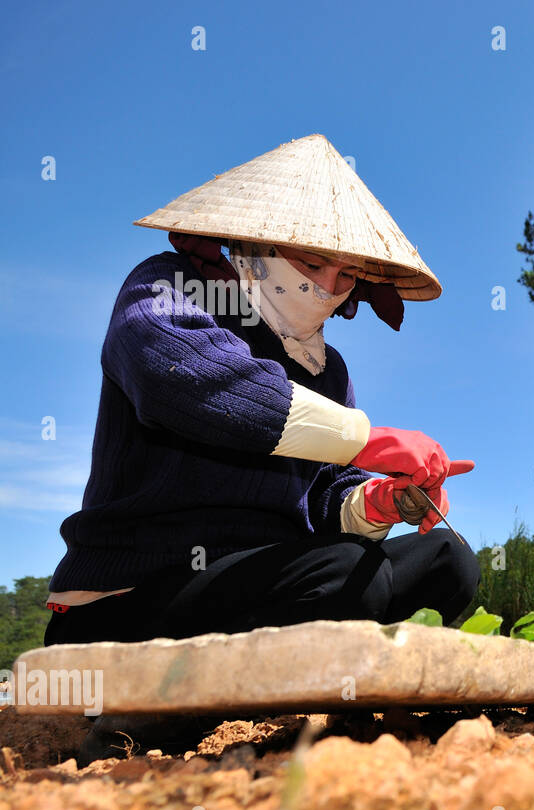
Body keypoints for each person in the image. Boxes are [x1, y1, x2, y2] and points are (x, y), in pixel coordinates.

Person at [44, 134, 479, 647]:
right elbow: (171, 374)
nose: (328, 288)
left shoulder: (327, 368)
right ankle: (150, 711)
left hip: (267, 579)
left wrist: (377, 501)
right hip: (134, 592)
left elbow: (323, 496)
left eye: (347, 276)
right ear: (258, 243)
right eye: (314, 264)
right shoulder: (171, 285)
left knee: (449, 562)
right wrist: (364, 439)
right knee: (344, 575)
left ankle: (315, 676)